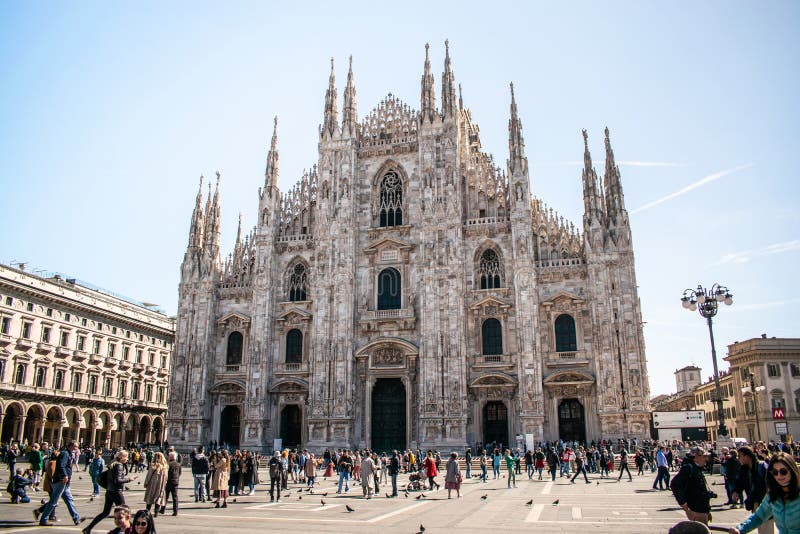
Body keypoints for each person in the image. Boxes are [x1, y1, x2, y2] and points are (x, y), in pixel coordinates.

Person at [730, 452, 800, 534]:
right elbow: (759, 516)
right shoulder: (773, 494)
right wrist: (740, 529)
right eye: (775, 472)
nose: (779, 476)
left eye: (783, 471)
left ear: (792, 470)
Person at [82, 450, 134, 534]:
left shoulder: (112, 464)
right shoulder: (119, 465)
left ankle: (88, 528)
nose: (127, 459)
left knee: (105, 512)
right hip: (116, 492)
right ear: (123, 457)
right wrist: (129, 479)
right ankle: (132, 531)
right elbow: (117, 480)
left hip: (109, 491)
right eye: (127, 457)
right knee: (125, 512)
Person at [40, 441, 82, 527]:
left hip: (65, 482)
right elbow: (60, 465)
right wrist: (65, 475)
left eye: (77, 447)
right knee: (53, 501)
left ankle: (76, 518)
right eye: (75, 446)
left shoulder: (69, 454)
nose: (76, 448)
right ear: (70, 446)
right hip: (61, 481)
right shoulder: (65, 453)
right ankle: (43, 519)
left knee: (69, 500)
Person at [670, 446, 713, 525]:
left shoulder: (697, 468)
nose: (705, 459)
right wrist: (682, 502)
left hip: (701, 508)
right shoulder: (689, 468)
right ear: (696, 457)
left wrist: (707, 511)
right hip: (695, 508)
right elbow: (675, 484)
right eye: (704, 456)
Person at [731, 446, 770, 534]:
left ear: (747, 456)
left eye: (740, 456)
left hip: (765, 503)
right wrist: (735, 491)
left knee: (766, 529)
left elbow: (769, 485)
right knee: (760, 526)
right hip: (754, 503)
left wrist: (762, 500)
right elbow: (738, 482)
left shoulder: (762, 466)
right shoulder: (743, 470)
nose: (738, 458)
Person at [144, 452, 168, 516]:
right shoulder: (165, 467)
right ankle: (156, 512)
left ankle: (147, 511)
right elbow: (166, 477)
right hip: (161, 484)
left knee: (150, 496)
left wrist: (146, 483)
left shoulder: (153, 466)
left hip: (152, 483)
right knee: (159, 496)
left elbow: (148, 476)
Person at [161, 451, 181, 516]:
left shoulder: (168, 464)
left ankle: (162, 509)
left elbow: (166, 473)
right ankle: (175, 511)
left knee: (165, 496)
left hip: (169, 481)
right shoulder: (178, 464)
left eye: (169, 456)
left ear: (171, 457)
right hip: (175, 481)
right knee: (175, 497)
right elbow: (180, 473)